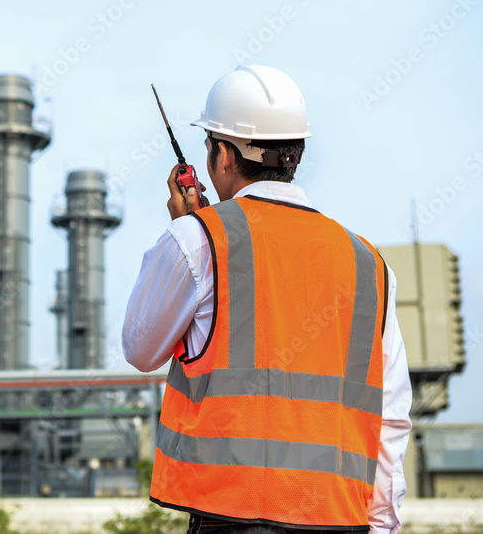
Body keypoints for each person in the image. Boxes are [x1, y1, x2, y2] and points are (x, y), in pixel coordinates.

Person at [122, 65, 411, 534]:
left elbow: (140, 348)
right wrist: (380, 526)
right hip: (342, 520)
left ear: (221, 155)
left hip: (231, 520)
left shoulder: (198, 240)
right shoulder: (369, 263)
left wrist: (186, 230)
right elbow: (392, 415)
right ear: (295, 153)